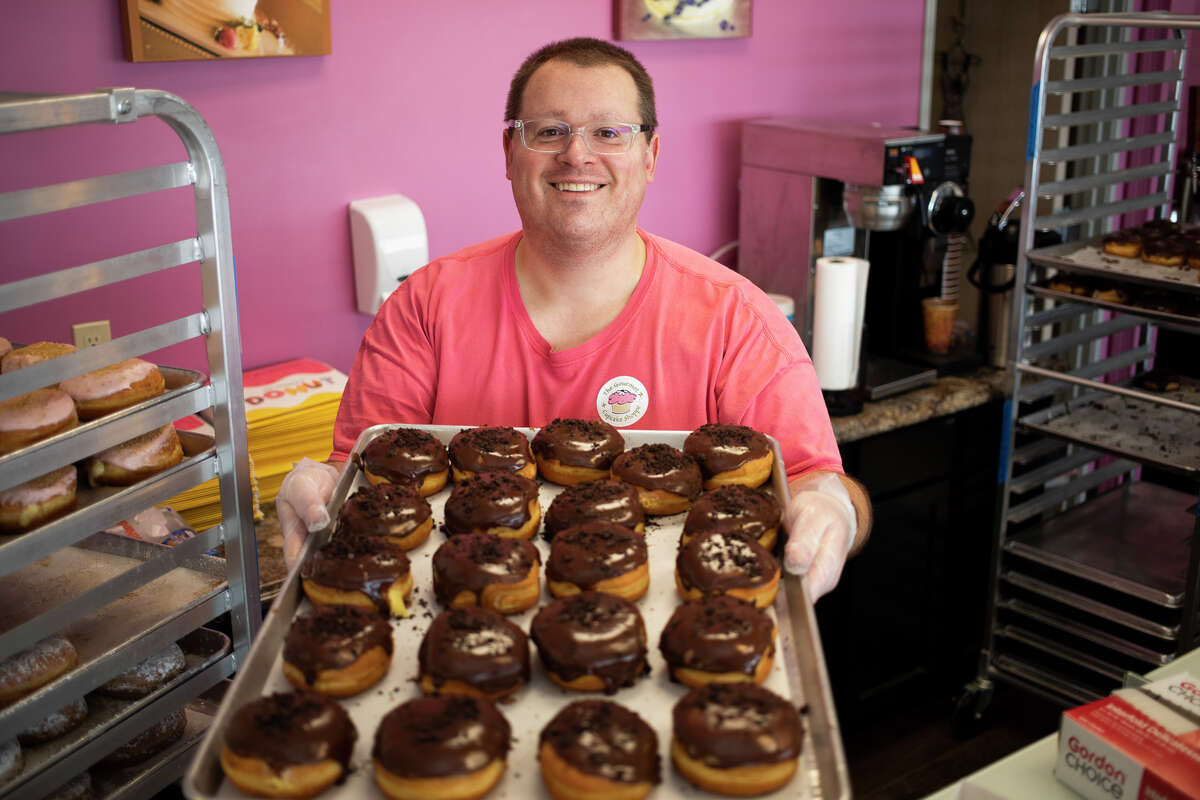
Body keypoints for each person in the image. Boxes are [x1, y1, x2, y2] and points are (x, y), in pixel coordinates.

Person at [276, 36, 871, 600]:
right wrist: (324, 487)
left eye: (609, 132)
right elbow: (361, 474)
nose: (576, 154)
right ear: (509, 153)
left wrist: (835, 509)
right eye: (549, 131)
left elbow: (816, 480)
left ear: (650, 155)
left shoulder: (738, 321)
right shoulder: (422, 307)